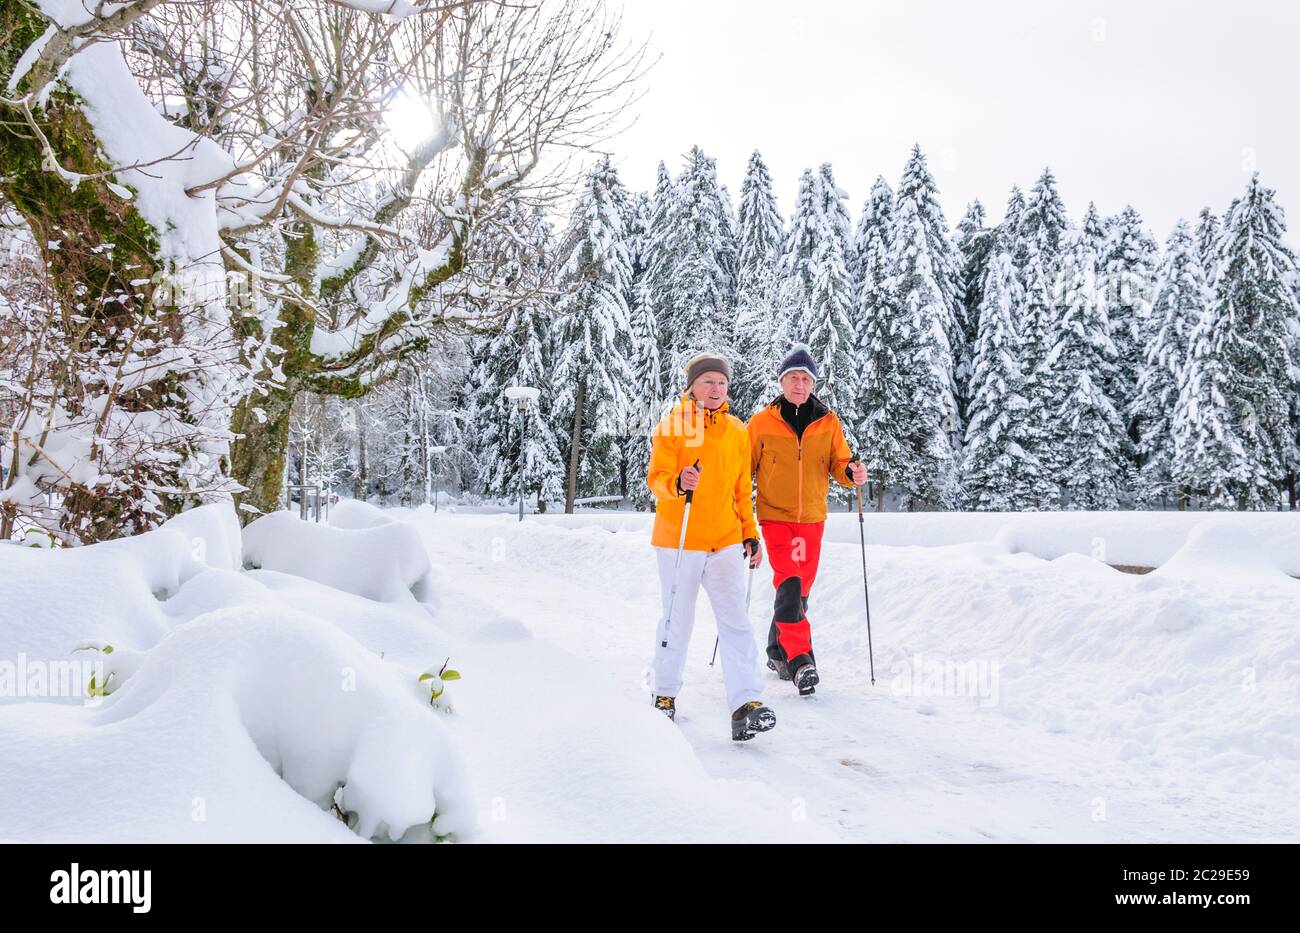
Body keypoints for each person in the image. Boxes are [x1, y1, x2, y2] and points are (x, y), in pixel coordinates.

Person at [646, 352, 777, 741]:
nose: (716, 388)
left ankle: (746, 703)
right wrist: (678, 483)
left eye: (721, 382)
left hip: (724, 540)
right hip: (680, 539)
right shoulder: (674, 424)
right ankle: (665, 695)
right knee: (677, 619)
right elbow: (656, 478)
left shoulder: (737, 431)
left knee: (736, 621)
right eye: (708, 382)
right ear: (692, 387)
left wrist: (749, 533)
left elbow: (741, 490)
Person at [746, 344, 868, 696]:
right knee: (789, 583)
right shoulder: (761, 422)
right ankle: (801, 661)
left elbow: (839, 463)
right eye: (793, 378)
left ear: (812, 384)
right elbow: (744, 470)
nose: (799, 384)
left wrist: (852, 472)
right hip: (775, 516)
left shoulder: (827, 421)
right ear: (782, 382)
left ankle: (776, 652)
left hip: (812, 517)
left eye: (805, 379)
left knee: (801, 590)